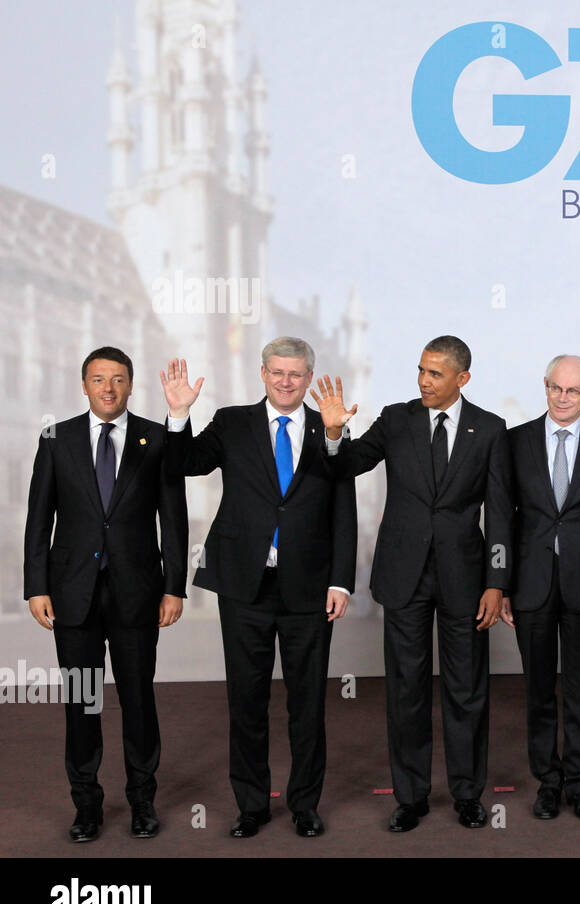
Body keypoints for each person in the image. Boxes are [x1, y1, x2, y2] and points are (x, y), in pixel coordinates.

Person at [160, 338, 356, 839]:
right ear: (262, 373)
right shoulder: (231, 421)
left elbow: (342, 506)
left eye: (296, 374)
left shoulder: (328, 426)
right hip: (243, 585)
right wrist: (179, 415)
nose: (286, 382)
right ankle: (251, 805)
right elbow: (187, 463)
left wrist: (340, 580)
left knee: (307, 702)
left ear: (309, 378)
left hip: (309, 588)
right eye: (277, 372)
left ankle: (305, 805)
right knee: (246, 700)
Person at [312, 335, 510, 831]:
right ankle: (411, 797)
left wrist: (497, 581)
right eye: (420, 370)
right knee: (406, 690)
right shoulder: (395, 419)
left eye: (435, 373)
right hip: (403, 577)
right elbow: (346, 465)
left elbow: (502, 513)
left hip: (467, 581)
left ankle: (467, 794)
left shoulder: (490, 428)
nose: (423, 380)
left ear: (462, 379)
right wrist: (333, 433)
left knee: (467, 691)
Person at [24, 347, 187, 842]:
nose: (109, 388)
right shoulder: (56, 438)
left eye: (118, 379)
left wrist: (174, 588)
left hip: (138, 591)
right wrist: (36, 588)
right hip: (72, 593)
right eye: (99, 379)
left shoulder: (155, 438)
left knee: (138, 699)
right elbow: (39, 520)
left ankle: (142, 802)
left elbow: (173, 519)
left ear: (131, 385)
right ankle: (87, 807)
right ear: (84, 385)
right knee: (82, 700)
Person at [501, 355, 580, 820]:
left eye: (573, 391)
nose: (562, 397)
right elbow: (503, 518)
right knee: (537, 690)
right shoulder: (514, 441)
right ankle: (546, 784)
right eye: (555, 387)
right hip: (530, 584)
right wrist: (503, 584)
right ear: (546, 386)